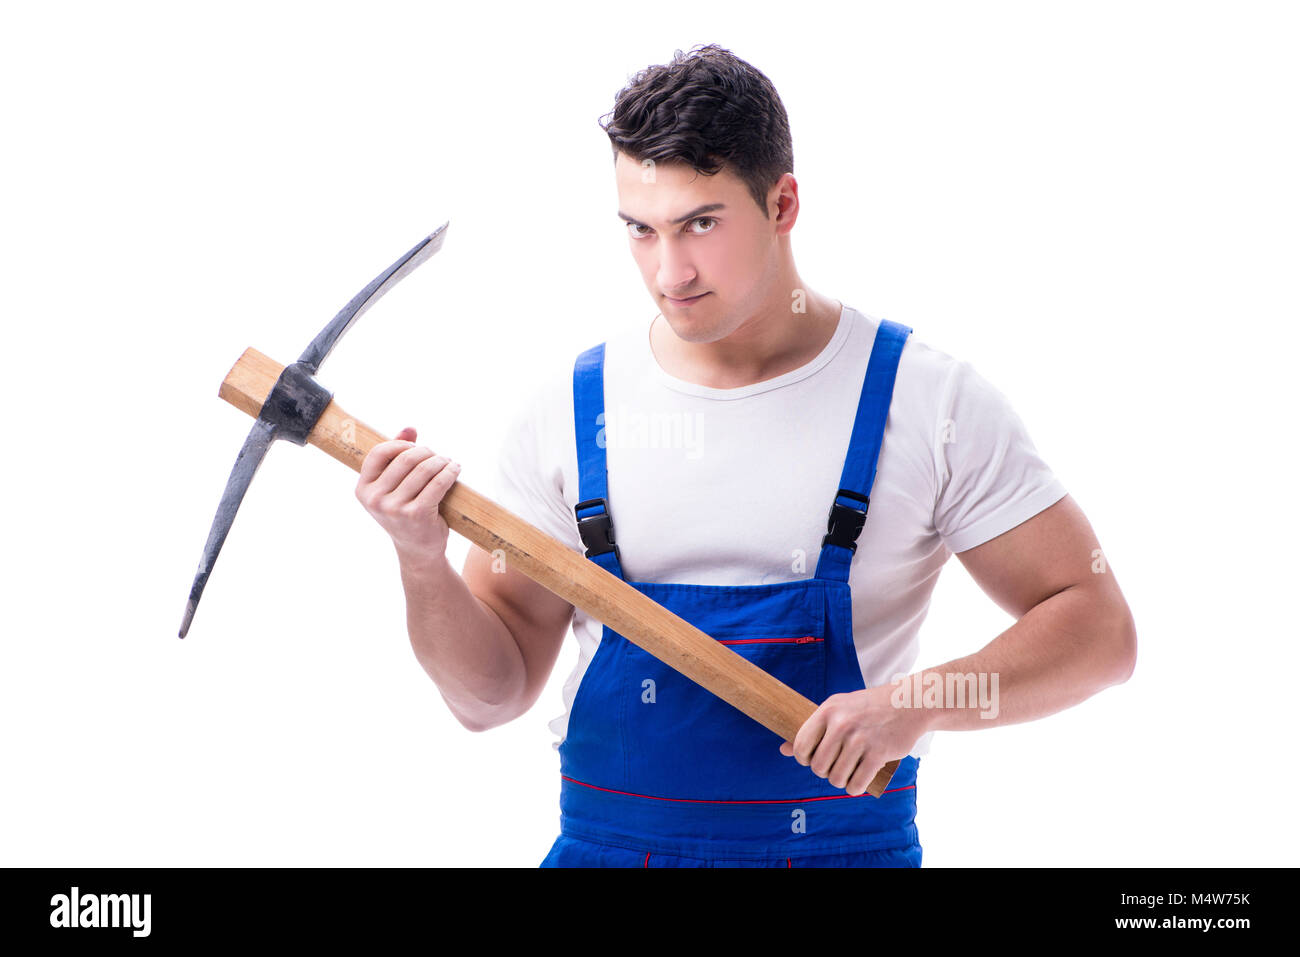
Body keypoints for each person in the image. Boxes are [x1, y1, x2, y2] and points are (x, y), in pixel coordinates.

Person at [354, 44, 1137, 867]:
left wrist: (917, 704)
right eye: (641, 230)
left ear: (783, 202)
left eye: (701, 223)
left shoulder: (924, 399)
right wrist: (420, 560)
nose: (670, 271)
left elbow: (1099, 630)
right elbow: (492, 694)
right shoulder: (568, 414)